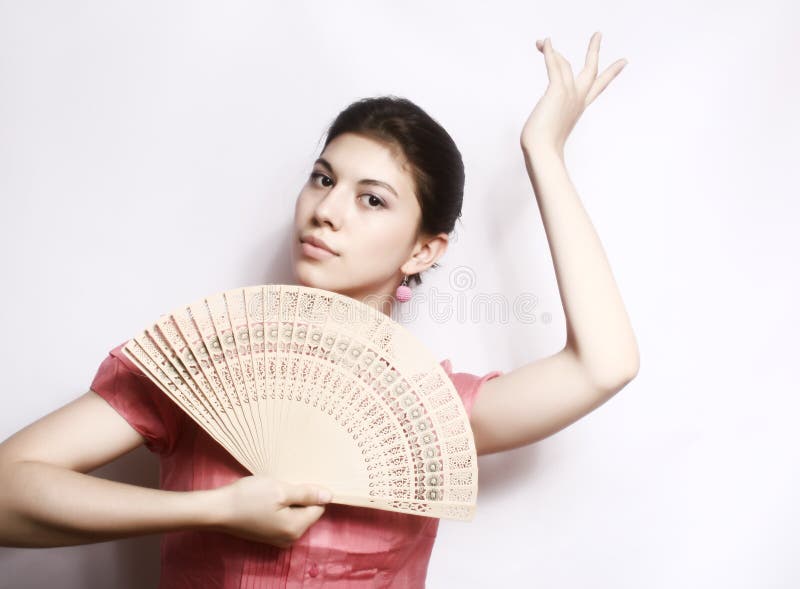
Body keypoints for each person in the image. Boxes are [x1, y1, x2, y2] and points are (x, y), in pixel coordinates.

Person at [0, 32, 637, 587]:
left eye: (373, 200)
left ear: (424, 249)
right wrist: (215, 510)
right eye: (324, 178)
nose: (326, 210)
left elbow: (604, 366)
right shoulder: (199, 364)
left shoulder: (429, 414)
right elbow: (8, 491)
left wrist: (544, 151)